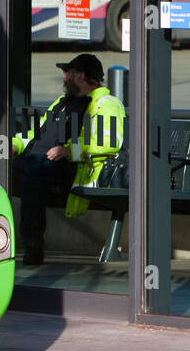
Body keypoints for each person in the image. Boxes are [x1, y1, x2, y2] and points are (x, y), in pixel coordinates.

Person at [11, 53, 125, 265]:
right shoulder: (62, 102)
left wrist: (69, 151)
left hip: (73, 167)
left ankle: (33, 245)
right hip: (40, 161)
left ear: (80, 76)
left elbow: (110, 141)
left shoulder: (106, 103)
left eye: (67, 73)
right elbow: (37, 132)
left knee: (32, 173)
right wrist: (15, 145)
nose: (63, 77)